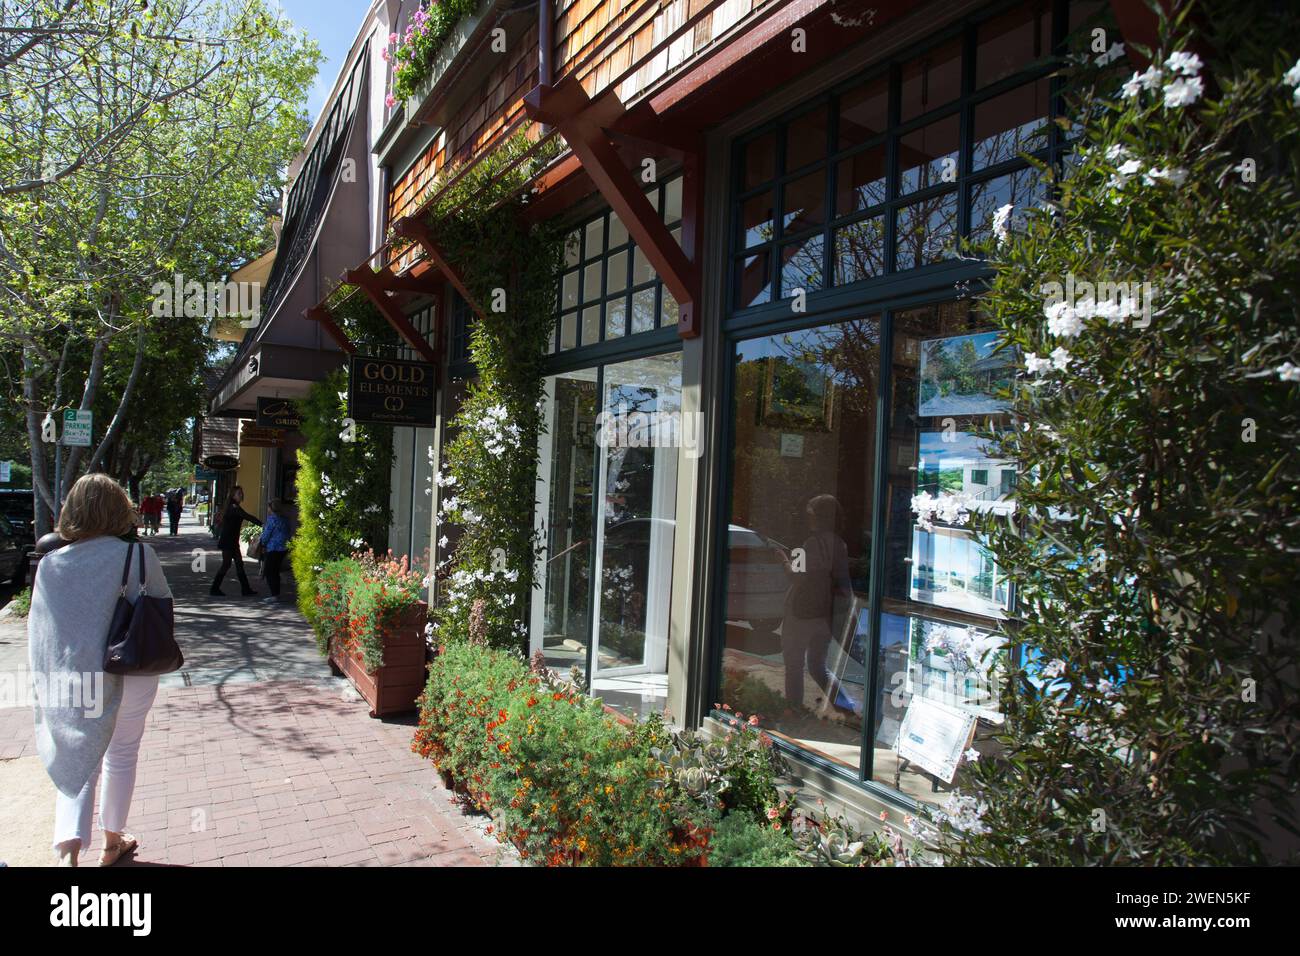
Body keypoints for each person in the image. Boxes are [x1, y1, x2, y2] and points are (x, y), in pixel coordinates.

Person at [27, 473, 171, 866]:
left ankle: (68, 854)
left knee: (80, 753)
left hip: (80, 677)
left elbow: (41, 634)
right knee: (122, 754)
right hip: (134, 669)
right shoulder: (140, 555)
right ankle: (112, 843)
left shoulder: (52, 564)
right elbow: (160, 605)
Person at [780, 494, 857, 717]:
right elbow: (843, 583)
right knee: (817, 666)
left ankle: (794, 709)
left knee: (794, 665)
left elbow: (796, 576)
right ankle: (846, 707)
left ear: (818, 517)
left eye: (811, 514)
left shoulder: (811, 544)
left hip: (801, 614)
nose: (808, 519)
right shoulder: (839, 544)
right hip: (824, 615)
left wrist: (783, 560)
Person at [209, 485, 261, 597]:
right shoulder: (234, 508)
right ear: (233, 495)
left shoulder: (234, 506)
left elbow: (246, 516)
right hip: (228, 541)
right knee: (227, 564)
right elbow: (247, 517)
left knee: (237, 564)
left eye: (241, 493)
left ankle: (245, 589)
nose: (241, 495)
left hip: (231, 541)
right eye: (239, 493)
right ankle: (215, 588)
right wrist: (262, 524)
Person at [257, 499, 292, 603]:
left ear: (271, 508)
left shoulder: (272, 519)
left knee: (269, 572)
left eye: (268, 507)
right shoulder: (285, 519)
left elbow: (266, 534)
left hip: (273, 548)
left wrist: (262, 544)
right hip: (283, 548)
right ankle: (276, 594)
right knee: (275, 571)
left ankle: (274, 595)